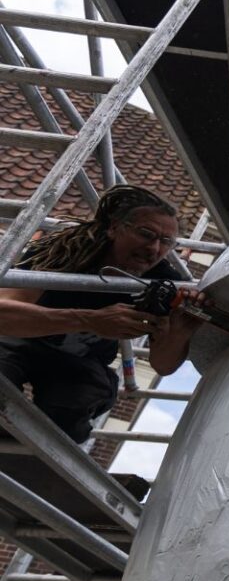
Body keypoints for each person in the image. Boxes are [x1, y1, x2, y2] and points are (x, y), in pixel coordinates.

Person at [0, 186, 205, 443]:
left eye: (166, 242)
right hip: (20, 342)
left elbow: (162, 365)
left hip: (80, 363)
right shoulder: (67, 251)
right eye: (145, 234)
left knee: (70, 415)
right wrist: (90, 320)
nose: (153, 248)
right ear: (114, 228)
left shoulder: (162, 282)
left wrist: (182, 328)